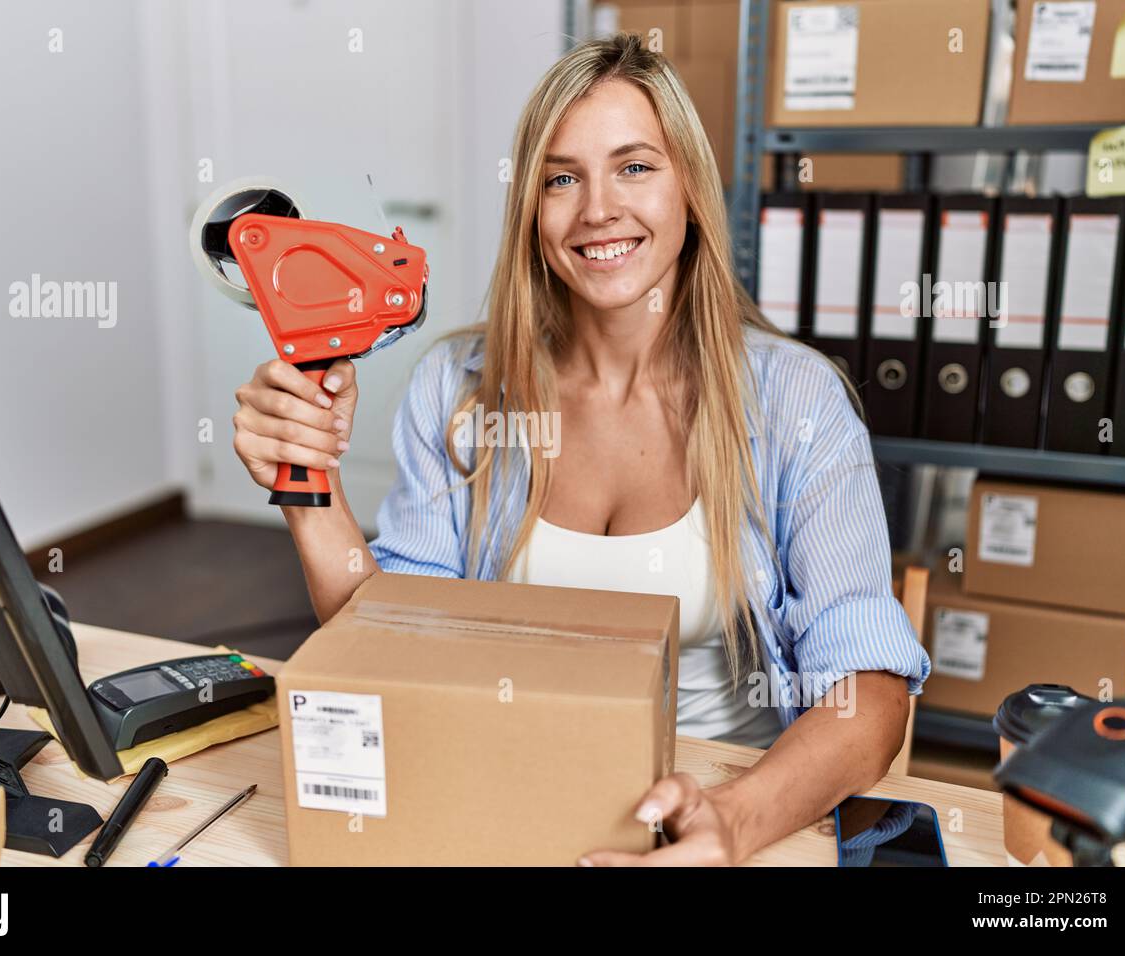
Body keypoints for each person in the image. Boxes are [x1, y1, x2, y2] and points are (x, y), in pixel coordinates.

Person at [231, 33, 930, 866]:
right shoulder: (459, 388)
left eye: (635, 167)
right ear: (532, 206)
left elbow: (871, 698)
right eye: (562, 178)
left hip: (733, 805)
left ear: (692, 193)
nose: (598, 208)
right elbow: (388, 642)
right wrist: (306, 485)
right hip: (506, 785)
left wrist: (731, 821)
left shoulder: (796, 403)